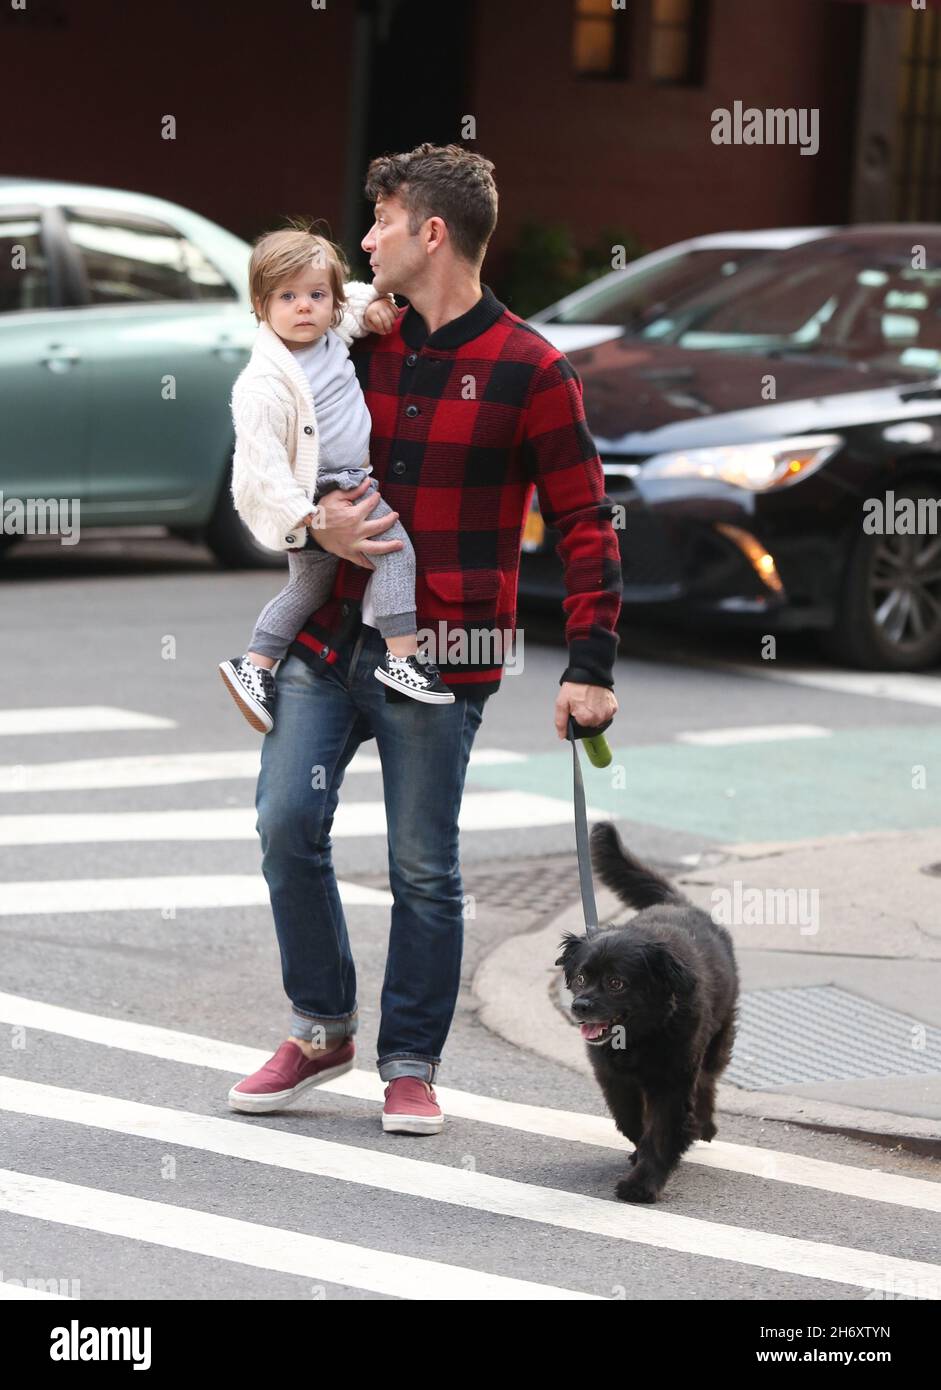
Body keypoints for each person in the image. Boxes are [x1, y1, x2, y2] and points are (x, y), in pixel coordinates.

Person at [228, 144, 622, 1134]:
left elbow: (584, 520)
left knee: (421, 866)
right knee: (284, 825)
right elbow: (274, 442)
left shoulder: (531, 369)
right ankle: (321, 1028)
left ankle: (409, 1061)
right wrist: (304, 522)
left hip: (441, 655)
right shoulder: (357, 344)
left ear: (430, 233)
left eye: (381, 222)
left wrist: (589, 664)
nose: (364, 240)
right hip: (326, 634)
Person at [219, 222, 454, 735]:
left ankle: (255, 665)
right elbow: (261, 461)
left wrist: (372, 309)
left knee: (308, 588)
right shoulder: (261, 384)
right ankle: (402, 659)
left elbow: (359, 300)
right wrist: (306, 517)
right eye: (287, 296)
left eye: (315, 295)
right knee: (395, 553)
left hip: (338, 483)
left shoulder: (327, 335)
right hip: (329, 488)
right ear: (260, 306)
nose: (304, 307)